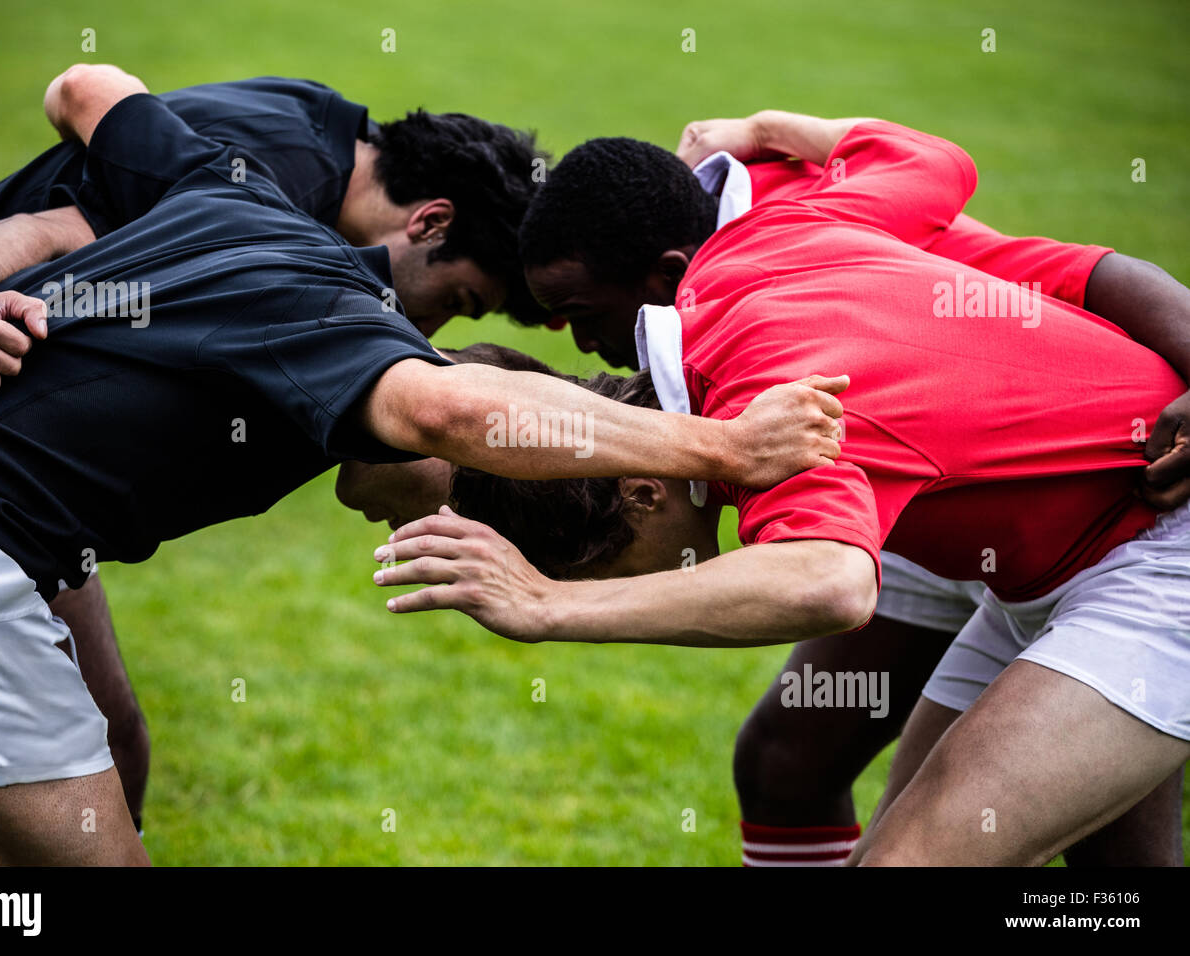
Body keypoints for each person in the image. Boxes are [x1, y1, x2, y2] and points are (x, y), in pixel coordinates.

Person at [0, 86, 844, 865]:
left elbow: (69, 191)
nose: (427, 341)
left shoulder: (234, 190)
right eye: (461, 302)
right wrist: (724, 450)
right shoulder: (339, 323)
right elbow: (447, 414)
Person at [374, 126, 1190, 865]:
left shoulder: (768, 406)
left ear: (645, 493)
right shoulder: (742, 242)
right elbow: (930, 161)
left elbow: (827, 583)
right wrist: (765, 129)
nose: (667, 584)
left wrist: (549, 607)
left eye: (620, 571)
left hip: (1155, 539)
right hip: (1076, 547)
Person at [0, 62, 547, 839]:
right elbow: (64, 155)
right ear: (431, 221)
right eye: (456, 302)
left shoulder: (324, 126)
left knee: (111, 739)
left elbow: (85, 87)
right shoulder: (273, 184)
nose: (428, 331)